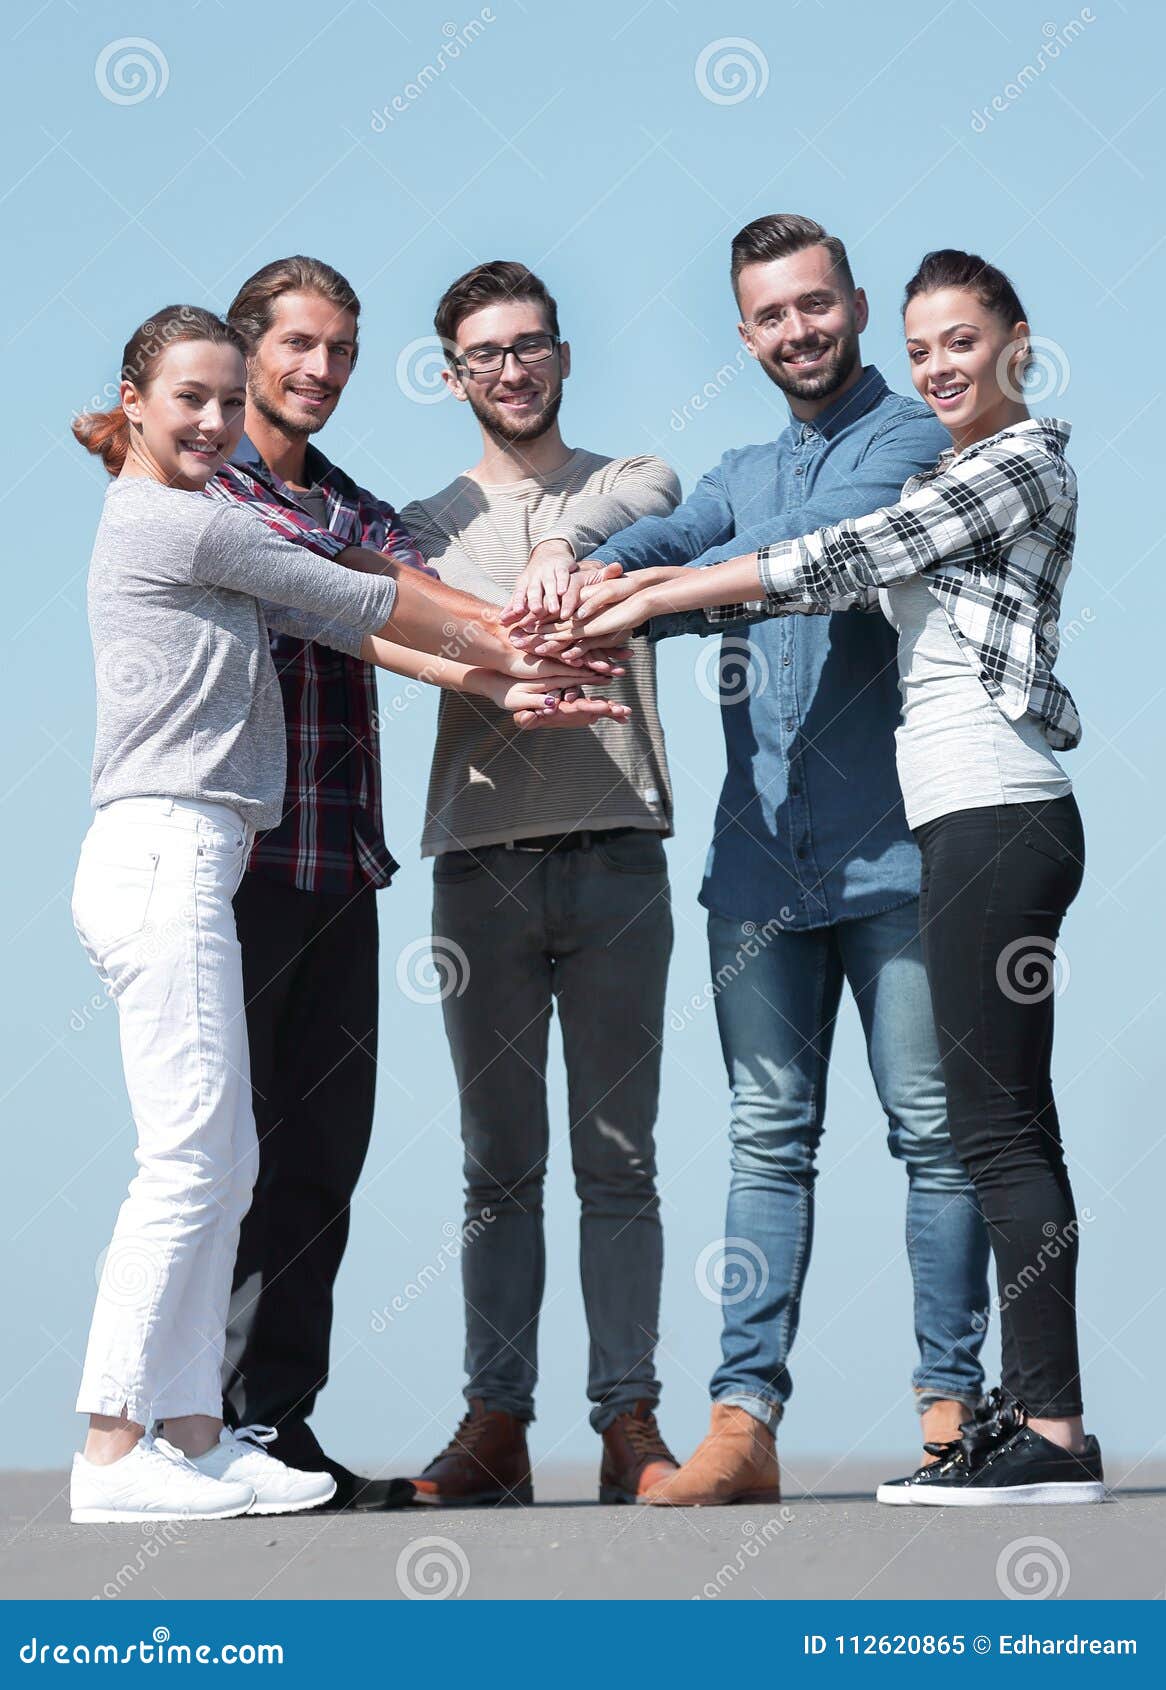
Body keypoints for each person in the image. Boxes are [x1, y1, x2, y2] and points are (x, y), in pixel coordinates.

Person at [560, 249, 1105, 1505]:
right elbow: (700, 529)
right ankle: (772, 1427)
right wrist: (597, 565)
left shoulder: (944, 446)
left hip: (938, 834)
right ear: (744, 336)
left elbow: (828, 548)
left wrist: (654, 592)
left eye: (818, 304)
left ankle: (978, 1420)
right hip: (803, 853)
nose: (798, 329)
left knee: (958, 1137)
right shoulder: (769, 471)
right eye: (767, 315)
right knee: (836, 1137)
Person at [67, 305, 624, 1524]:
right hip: (166, 850)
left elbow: (341, 614)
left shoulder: (205, 513)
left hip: (199, 855)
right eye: (192, 400)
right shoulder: (184, 517)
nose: (214, 421)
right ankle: (112, 1447)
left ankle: (200, 1437)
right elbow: (356, 592)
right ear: (136, 400)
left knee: (232, 1157)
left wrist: (501, 677)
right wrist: (518, 640)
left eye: (224, 402)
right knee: (190, 1160)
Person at [399, 261, 683, 1506]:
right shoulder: (416, 524)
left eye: (529, 346)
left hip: (619, 847)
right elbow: (398, 625)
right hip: (479, 868)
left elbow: (658, 492)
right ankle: (494, 1428)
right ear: (451, 373)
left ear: (560, 355)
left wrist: (565, 546)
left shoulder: (625, 485)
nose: (509, 369)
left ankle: (628, 1423)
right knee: (495, 1162)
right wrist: (494, 642)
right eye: (484, 354)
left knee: (619, 1158)